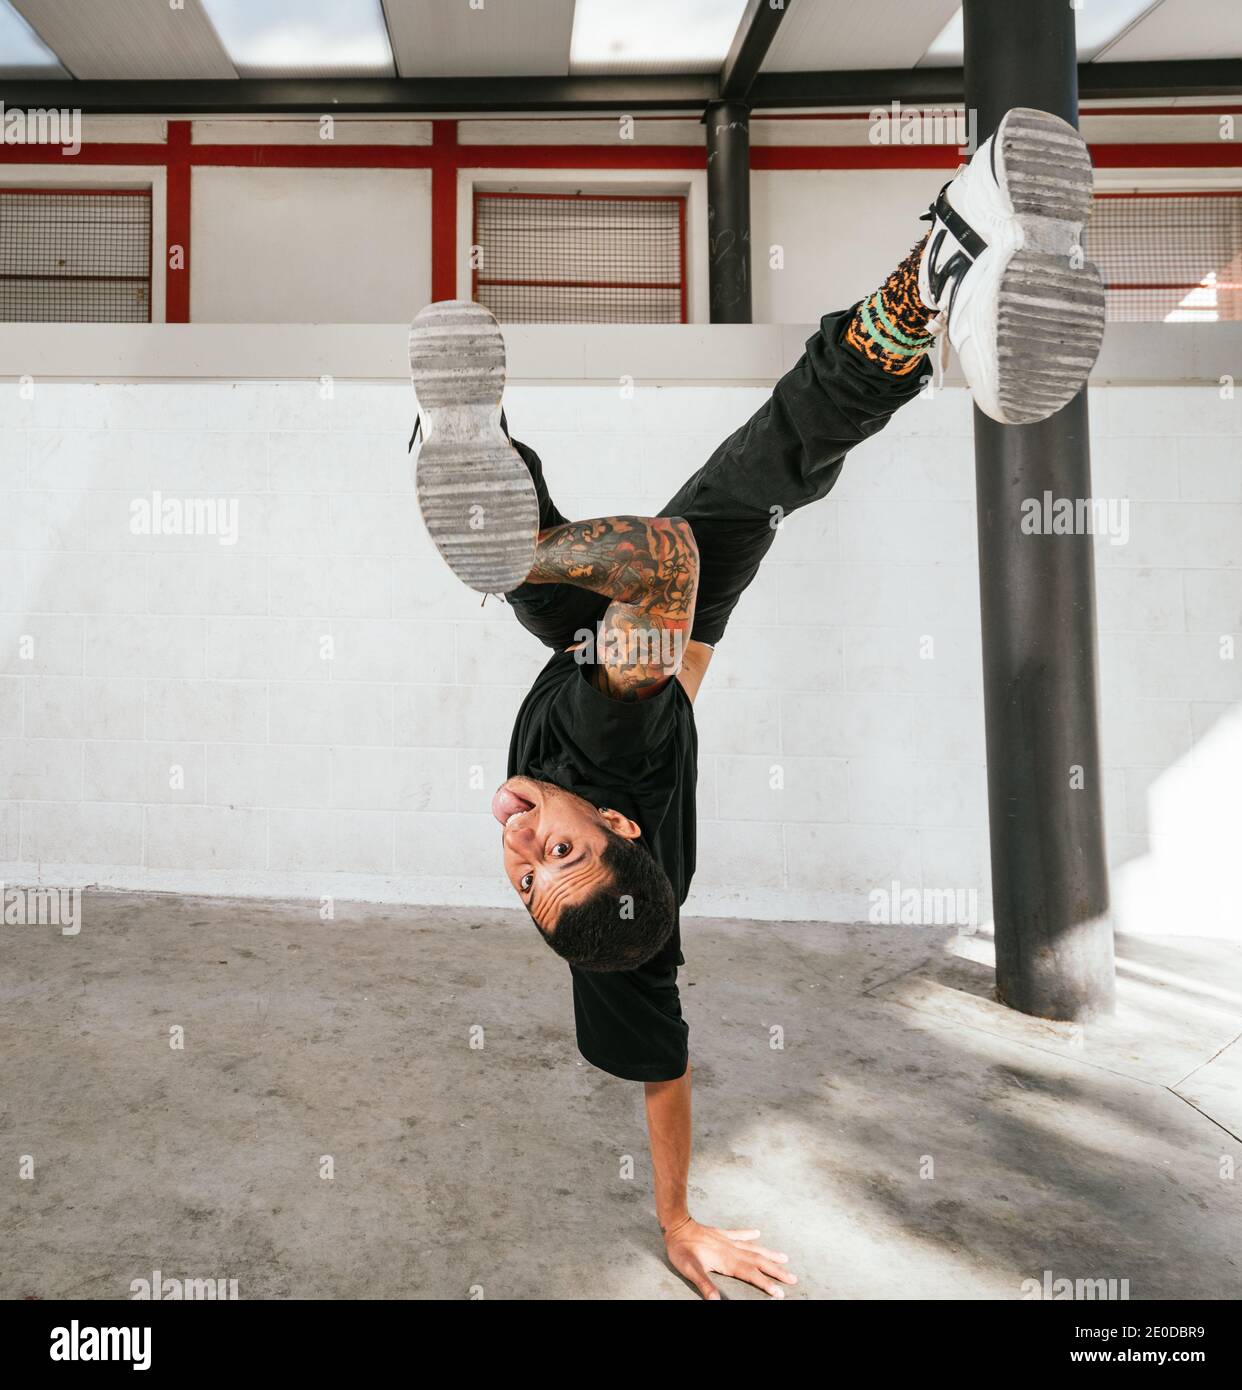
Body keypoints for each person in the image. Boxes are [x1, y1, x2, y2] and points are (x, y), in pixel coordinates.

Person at [407, 108, 1103, 1300]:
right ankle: (498, 499)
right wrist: (532, 553)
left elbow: (663, 1070)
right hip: (653, 632)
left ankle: (955, 251)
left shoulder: (612, 936)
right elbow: (668, 568)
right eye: (556, 848)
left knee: (788, 445)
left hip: (618, 652)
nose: (521, 845)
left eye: (526, 877)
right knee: (604, 545)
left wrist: (679, 1218)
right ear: (618, 829)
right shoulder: (615, 722)